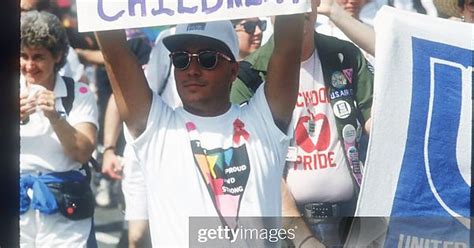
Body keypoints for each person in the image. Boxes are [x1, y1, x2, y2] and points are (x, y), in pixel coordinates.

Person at [95, 9, 306, 246]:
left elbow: (288, 45)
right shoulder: (155, 129)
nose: (192, 70)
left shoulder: (263, 123)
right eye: (181, 59)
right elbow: (114, 51)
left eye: (207, 59)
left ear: (233, 71)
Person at [230, 0, 374, 246]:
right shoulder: (249, 73)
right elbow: (253, 159)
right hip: (287, 229)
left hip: (352, 220)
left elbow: (373, 122)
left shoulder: (344, 55)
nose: (299, 8)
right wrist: (300, 234)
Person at [19, 10, 98, 247]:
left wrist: (55, 117)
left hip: (66, 207)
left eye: (38, 57)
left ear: (58, 56)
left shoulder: (78, 94)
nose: (29, 65)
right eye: (23, 56)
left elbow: (82, 153)